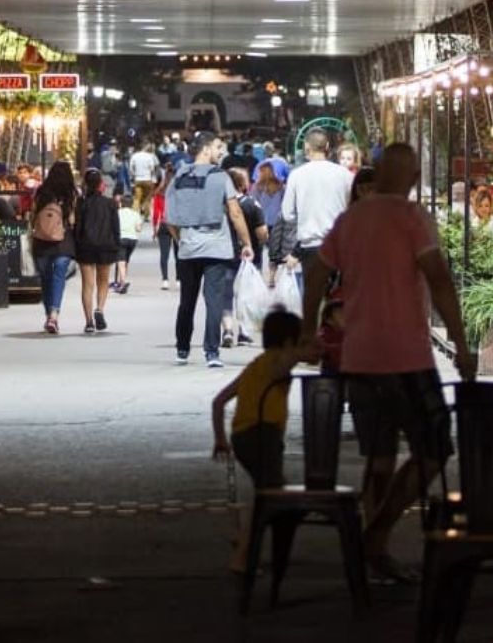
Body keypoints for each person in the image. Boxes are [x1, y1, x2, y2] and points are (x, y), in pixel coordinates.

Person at [300, 143, 474, 581]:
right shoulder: (413, 218)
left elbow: (319, 272)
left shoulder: (351, 219)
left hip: (358, 358)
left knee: (378, 456)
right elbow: (439, 280)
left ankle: (372, 548)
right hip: (407, 357)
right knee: (433, 449)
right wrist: (461, 342)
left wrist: (308, 331)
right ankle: (376, 535)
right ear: (413, 177)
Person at [211, 310, 314, 573]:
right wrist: (303, 353)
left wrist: (221, 439)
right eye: (301, 343)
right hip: (263, 435)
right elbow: (285, 364)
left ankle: (246, 538)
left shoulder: (256, 364)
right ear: (290, 343)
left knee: (267, 493)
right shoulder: (278, 362)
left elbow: (219, 401)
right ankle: (243, 555)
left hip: (243, 436)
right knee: (271, 497)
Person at [166, 132, 254, 368]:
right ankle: (211, 352)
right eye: (217, 147)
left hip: (187, 248)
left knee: (187, 300)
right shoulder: (221, 177)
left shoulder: (179, 177)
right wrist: (246, 243)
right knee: (213, 301)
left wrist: (180, 239)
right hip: (216, 248)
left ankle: (182, 349)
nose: (220, 152)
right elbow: (235, 213)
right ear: (205, 149)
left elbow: (169, 218)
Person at [280, 130, 351, 279]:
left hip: (310, 246)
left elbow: (287, 214)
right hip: (340, 244)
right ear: (327, 146)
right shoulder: (344, 174)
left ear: (307, 147)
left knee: (314, 296)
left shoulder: (296, 175)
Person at [30, 161, 78, 335]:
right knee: (59, 276)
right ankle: (54, 315)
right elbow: (72, 220)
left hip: (41, 241)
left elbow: (33, 214)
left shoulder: (41, 192)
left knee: (45, 278)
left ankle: (48, 314)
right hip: (63, 242)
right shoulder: (71, 194)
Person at [73, 169, 119, 335]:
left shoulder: (81, 203)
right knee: (103, 280)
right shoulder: (110, 203)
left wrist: (76, 245)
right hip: (106, 246)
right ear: (101, 184)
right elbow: (116, 228)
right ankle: (99, 308)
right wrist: (117, 246)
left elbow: (77, 227)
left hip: (85, 246)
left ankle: (89, 322)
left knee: (87, 284)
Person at [228, 168, 268, 271]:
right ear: (242, 184)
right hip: (251, 255)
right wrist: (262, 242)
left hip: (226, 255)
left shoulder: (221, 204)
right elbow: (262, 232)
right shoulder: (251, 204)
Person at [112, 195, 144, 295]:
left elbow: (113, 226)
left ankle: (123, 283)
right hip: (132, 239)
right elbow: (138, 228)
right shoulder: (135, 214)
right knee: (125, 260)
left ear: (121, 203)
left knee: (120, 261)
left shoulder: (117, 213)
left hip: (121, 238)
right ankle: (122, 281)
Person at [153, 162, 175, 291]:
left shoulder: (159, 194)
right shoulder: (178, 192)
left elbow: (156, 213)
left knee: (164, 254)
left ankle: (165, 279)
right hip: (176, 223)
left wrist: (154, 228)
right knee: (179, 254)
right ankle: (178, 279)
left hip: (163, 223)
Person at [129, 143, 159, 214]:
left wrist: (134, 175)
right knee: (147, 198)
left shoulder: (134, 156)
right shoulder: (149, 156)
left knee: (137, 198)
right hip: (147, 179)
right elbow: (152, 169)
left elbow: (131, 168)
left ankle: (135, 213)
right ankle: (145, 214)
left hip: (138, 179)